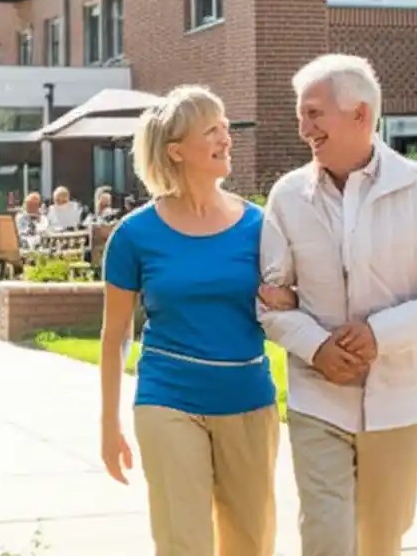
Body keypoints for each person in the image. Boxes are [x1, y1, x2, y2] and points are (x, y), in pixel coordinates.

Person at [258, 54, 417, 556]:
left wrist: (379, 334)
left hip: (400, 400)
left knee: (381, 539)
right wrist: (317, 347)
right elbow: (270, 302)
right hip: (317, 398)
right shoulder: (287, 196)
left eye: (314, 113)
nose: (303, 128)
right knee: (326, 536)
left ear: (360, 115)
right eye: (300, 114)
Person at [99, 84, 293, 556]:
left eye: (226, 127)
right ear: (176, 152)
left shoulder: (261, 225)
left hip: (248, 399)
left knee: (251, 540)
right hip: (168, 399)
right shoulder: (134, 235)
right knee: (183, 541)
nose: (226, 138)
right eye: (212, 130)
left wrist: (286, 299)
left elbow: (290, 303)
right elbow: (115, 335)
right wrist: (109, 424)